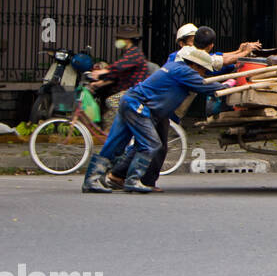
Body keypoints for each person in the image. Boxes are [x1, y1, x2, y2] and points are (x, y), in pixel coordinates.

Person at [104, 25, 259, 191]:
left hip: (159, 106)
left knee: (156, 145)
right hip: (151, 105)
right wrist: (231, 78)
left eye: (194, 40)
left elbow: (219, 59)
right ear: (182, 43)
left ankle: (139, 180)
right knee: (150, 144)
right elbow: (210, 73)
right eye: (190, 41)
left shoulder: (199, 57)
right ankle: (123, 177)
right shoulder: (180, 59)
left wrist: (238, 53)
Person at [82, 44, 221, 194]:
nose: (203, 73)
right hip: (138, 105)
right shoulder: (185, 71)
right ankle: (133, 180)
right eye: (203, 70)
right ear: (194, 65)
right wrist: (226, 85)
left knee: (115, 143)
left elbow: (202, 83)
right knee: (151, 144)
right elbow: (206, 86)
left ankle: (91, 180)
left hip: (130, 101)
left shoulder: (175, 66)